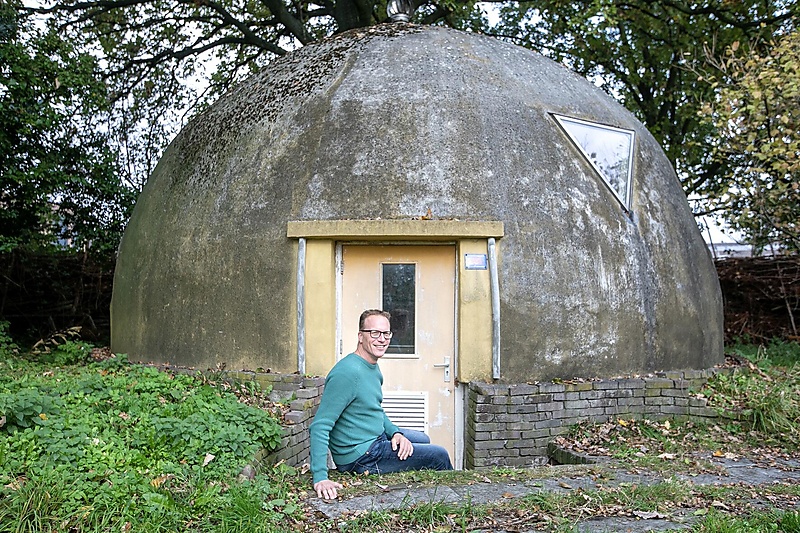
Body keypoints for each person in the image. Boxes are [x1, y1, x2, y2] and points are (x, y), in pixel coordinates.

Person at [309, 309, 453, 499]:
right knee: (439, 455)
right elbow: (320, 426)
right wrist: (320, 476)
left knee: (423, 438)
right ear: (360, 336)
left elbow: (374, 409)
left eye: (386, 333)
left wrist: (395, 433)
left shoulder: (372, 367)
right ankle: (451, 500)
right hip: (361, 456)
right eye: (374, 333)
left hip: (374, 438)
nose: (382, 339)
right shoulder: (347, 373)